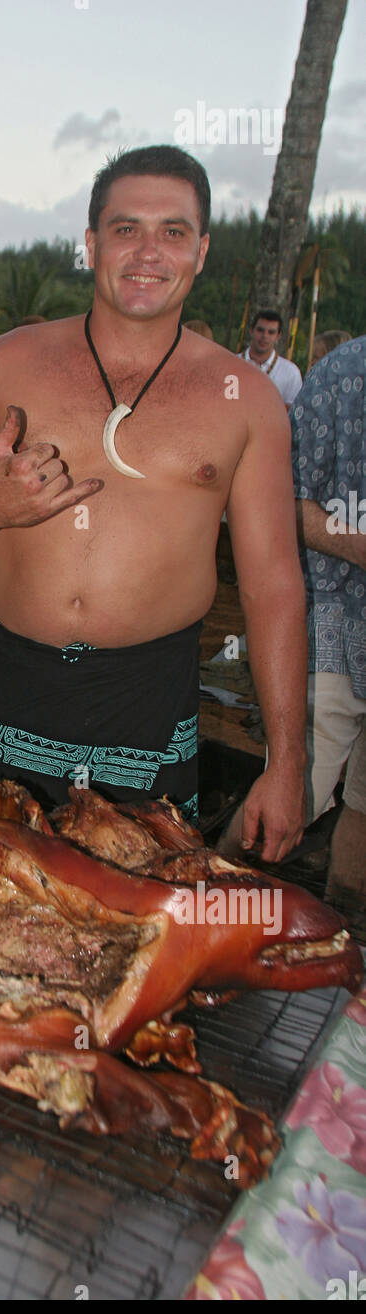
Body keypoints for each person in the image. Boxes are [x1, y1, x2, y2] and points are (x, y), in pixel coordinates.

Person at [0, 145, 307, 861]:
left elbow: (273, 587)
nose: (148, 251)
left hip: (145, 724)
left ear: (201, 251)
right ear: (90, 245)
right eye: (125, 228)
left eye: (173, 231)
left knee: (124, 947)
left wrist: (289, 763)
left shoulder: (249, 400)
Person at [292, 338, 364, 915]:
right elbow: (284, 502)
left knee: (364, 811)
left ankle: (343, 941)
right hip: (337, 622)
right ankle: (206, 918)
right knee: (293, 798)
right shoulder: (342, 374)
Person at [238, 309, 302, 406]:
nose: (264, 336)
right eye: (260, 330)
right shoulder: (232, 363)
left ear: (278, 336)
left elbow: (293, 411)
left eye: (271, 332)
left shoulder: (291, 373)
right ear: (251, 331)